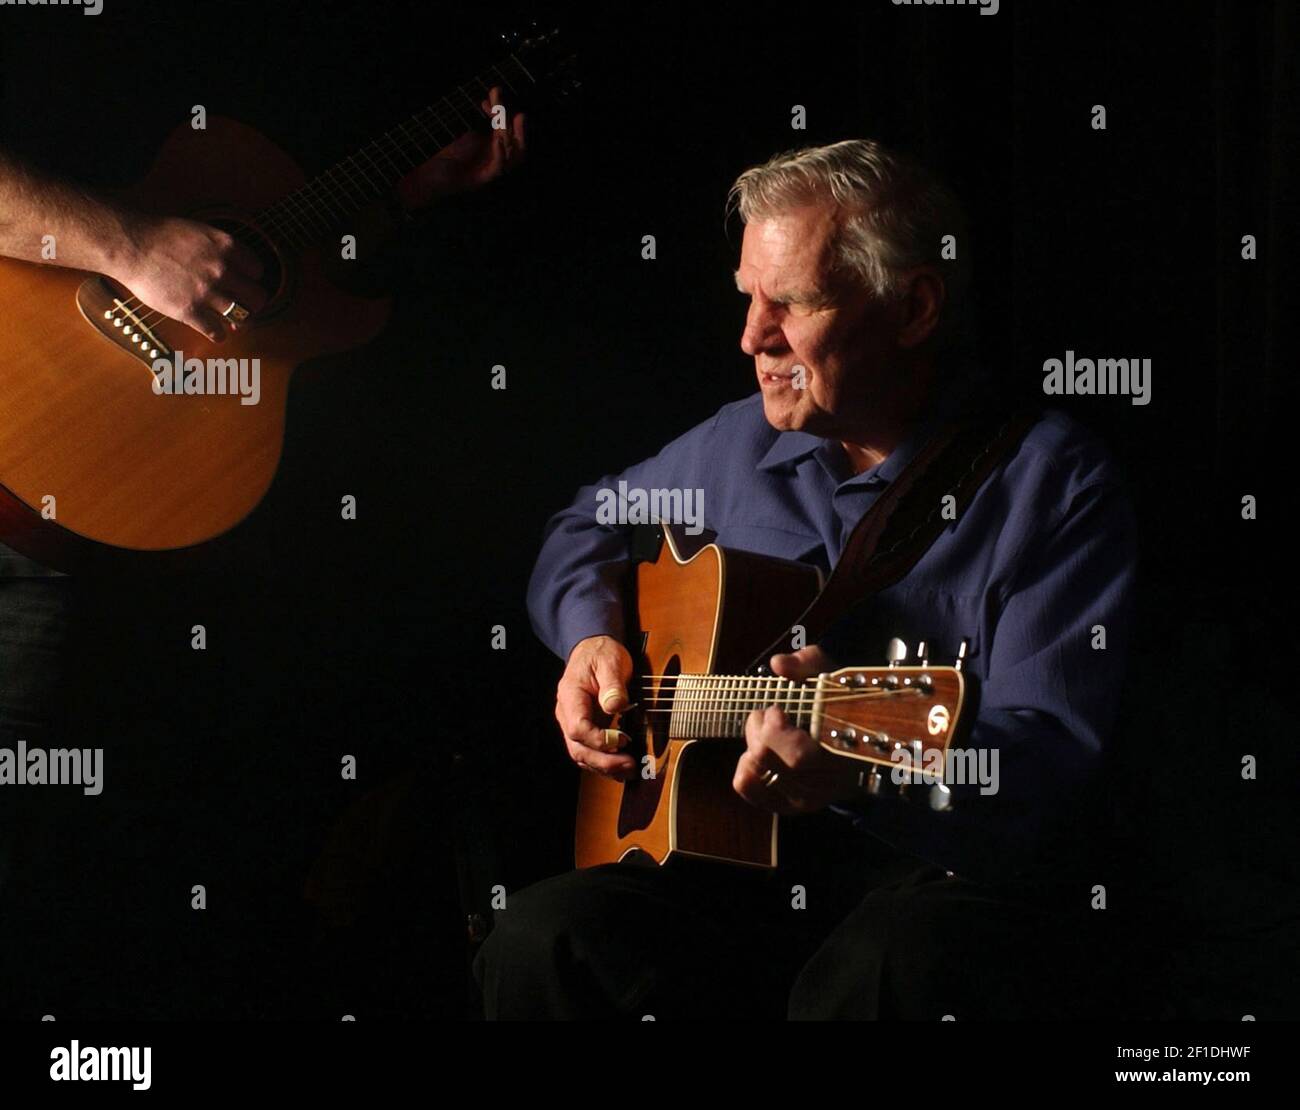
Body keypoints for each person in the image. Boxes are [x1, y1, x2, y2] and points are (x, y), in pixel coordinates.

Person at [475, 138, 1139, 1020]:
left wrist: (863, 776)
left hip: (928, 878)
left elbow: (1050, 760)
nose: (751, 336)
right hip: (733, 872)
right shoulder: (734, 444)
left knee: (887, 964)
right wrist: (592, 638)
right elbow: (583, 526)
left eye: (789, 303)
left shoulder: (1055, 484)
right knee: (540, 936)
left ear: (913, 309)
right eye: (748, 296)